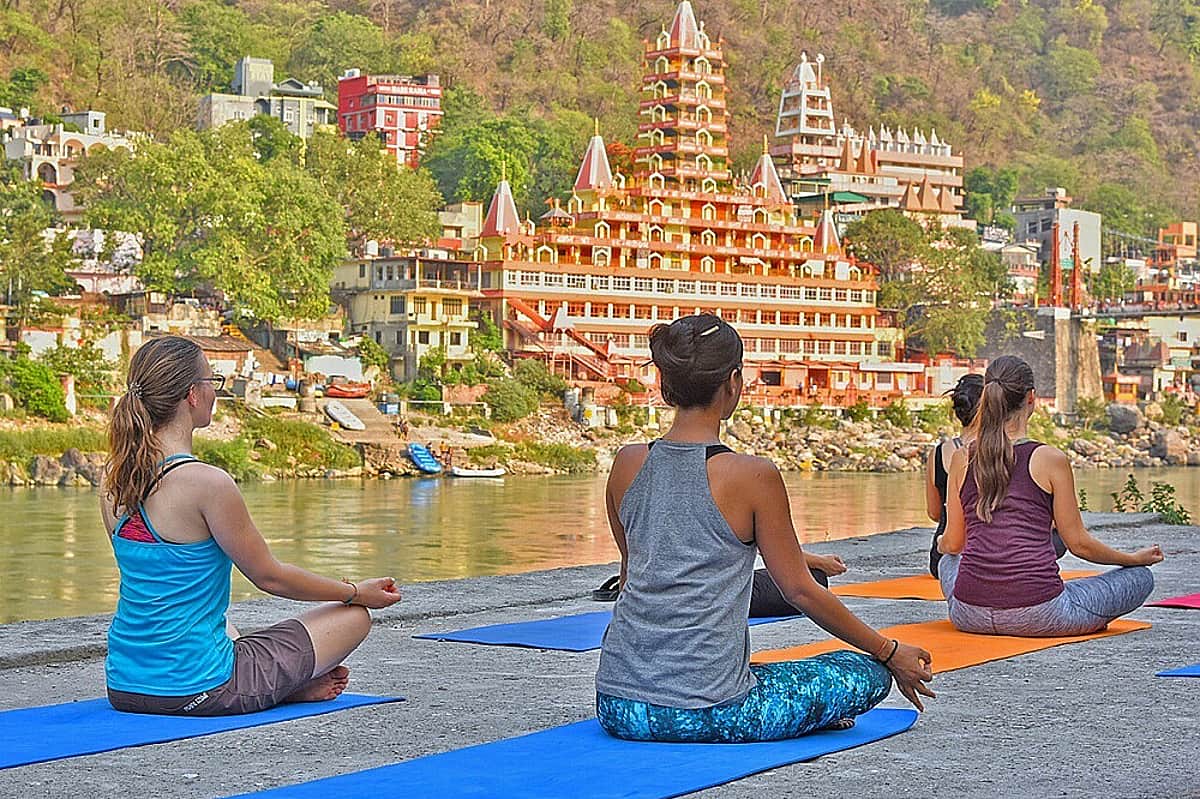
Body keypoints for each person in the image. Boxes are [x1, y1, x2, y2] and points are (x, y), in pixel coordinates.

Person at [595, 315, 934, 743]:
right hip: (710, 711)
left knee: (763, 671)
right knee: (864, 673)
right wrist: (890, 652)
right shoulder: (752, 475)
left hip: (616, 703)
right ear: (733, 383)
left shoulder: (626, 463)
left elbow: (637, 569)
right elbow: (801, 591)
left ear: (666, 383)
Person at [101, 336, 402, 716]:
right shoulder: (208, 484)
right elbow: (270, 578)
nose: (215, 393)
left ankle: (282, 682)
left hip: (125, 685)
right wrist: (356, 592)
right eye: (212, 382)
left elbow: (155, 587)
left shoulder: (112, 479)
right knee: (351, 619)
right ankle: (282, 687)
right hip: (201, 688)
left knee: (227, 629)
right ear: (192, 395)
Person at [938, 355, 1162, 637]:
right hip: (1039, 613)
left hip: (969, 614)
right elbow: (1079, 544)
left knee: (949, 561)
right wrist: (1132, 558)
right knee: (1141, 578)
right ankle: (1086, 615)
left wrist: (941, 542)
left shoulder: (962, 458)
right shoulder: (1049, 459)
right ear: (1031, 398)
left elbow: (954, 543)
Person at [925, 374, 984, 577]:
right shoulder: (997, 452)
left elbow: (934, 512)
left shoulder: (938, 453)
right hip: (983, 554)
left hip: (941, 556)